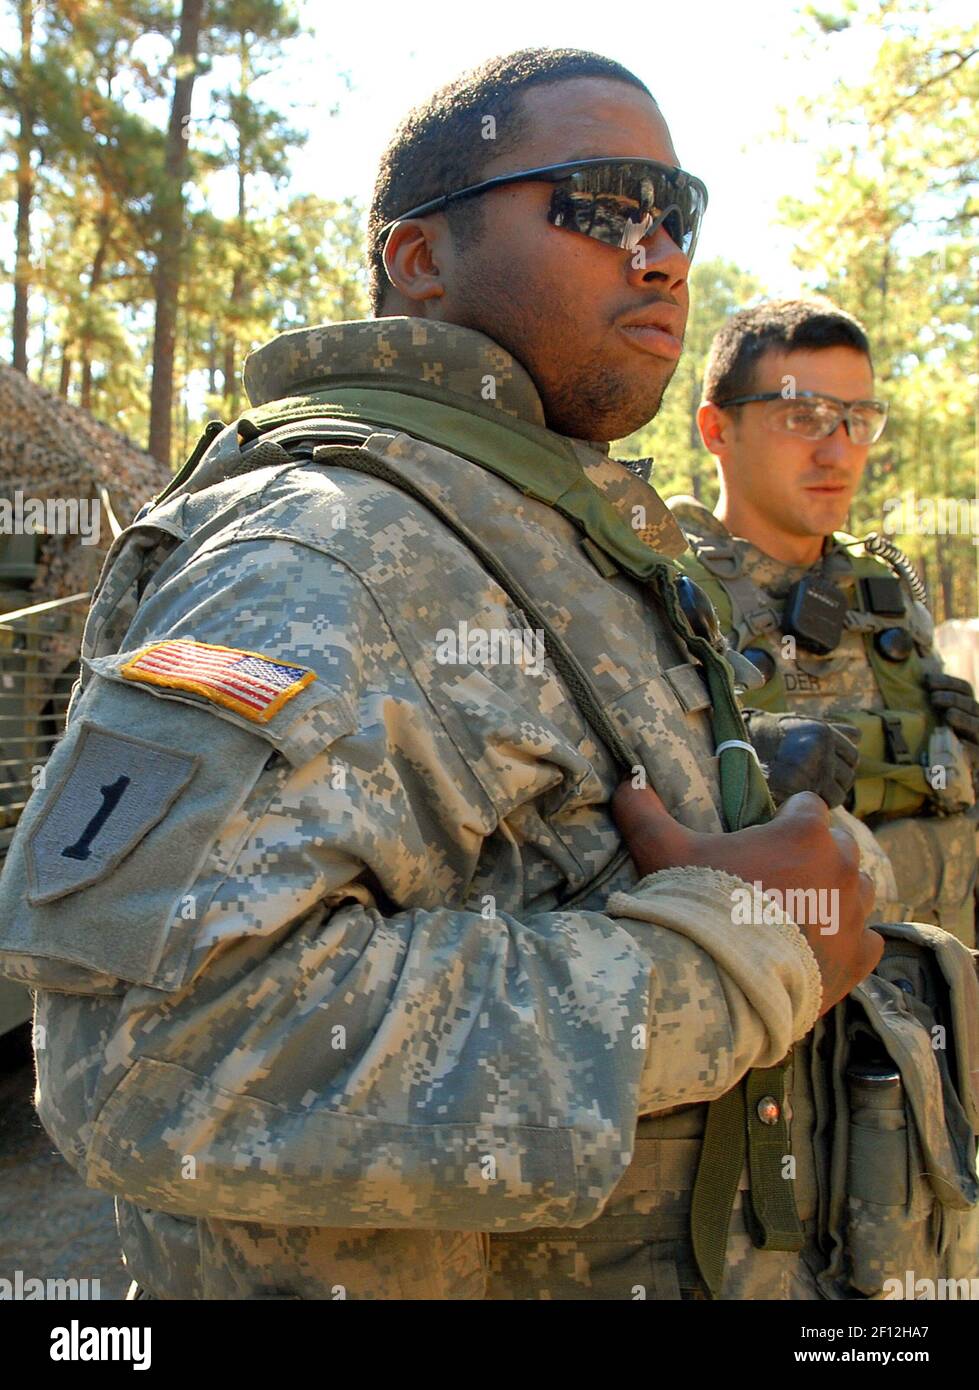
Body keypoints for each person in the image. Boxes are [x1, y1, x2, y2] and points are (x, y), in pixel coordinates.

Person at [0, 50, 975, 1303]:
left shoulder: (543, 530)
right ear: (420, 259)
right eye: (603, 203)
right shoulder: (324, 547)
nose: (662, 254)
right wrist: (737, 957)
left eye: (677, 213)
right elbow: (157, 1054)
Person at [670, 299, 979, 947]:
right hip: (790, 1006)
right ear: (716, 430)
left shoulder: (883, 586)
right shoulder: (664, 597)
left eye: (856, 419)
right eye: (801, 416)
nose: (836, 452)